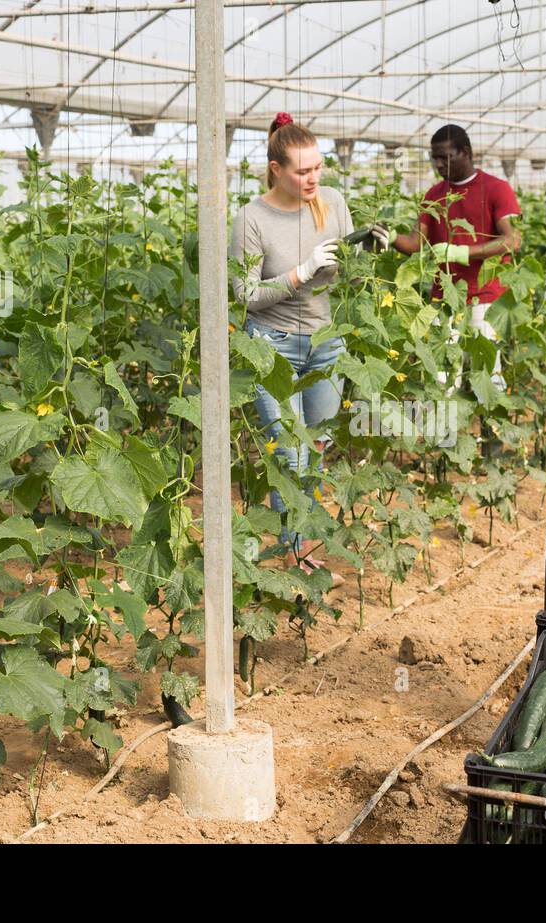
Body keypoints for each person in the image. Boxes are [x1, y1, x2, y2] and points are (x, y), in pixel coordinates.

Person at [229, 113, 351, 586]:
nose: (313, 178)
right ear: (276, 169)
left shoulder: (333, 202)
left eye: (318, 168)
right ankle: (296, 557)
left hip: (324, 342)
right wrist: (300, 271)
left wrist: (364, 248)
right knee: (288, 455)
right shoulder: (252, 219)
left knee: (317, 447)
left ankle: (300, 545)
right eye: (302, 172)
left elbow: (343, 270)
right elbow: (245, 294)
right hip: (271, 345)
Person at [372, 124, 522, 389]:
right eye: (435, 158)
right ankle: (445, 430)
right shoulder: (435, 195)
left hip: (484, 297)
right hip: (444, 298)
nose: (438, 164)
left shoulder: (496, 188)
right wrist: (393, 237)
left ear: (465, 152)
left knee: (486, 372)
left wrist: (462, 252)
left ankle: (486, 430)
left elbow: (512, 240)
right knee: (441, 376)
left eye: (445, 157)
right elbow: (416, 242)